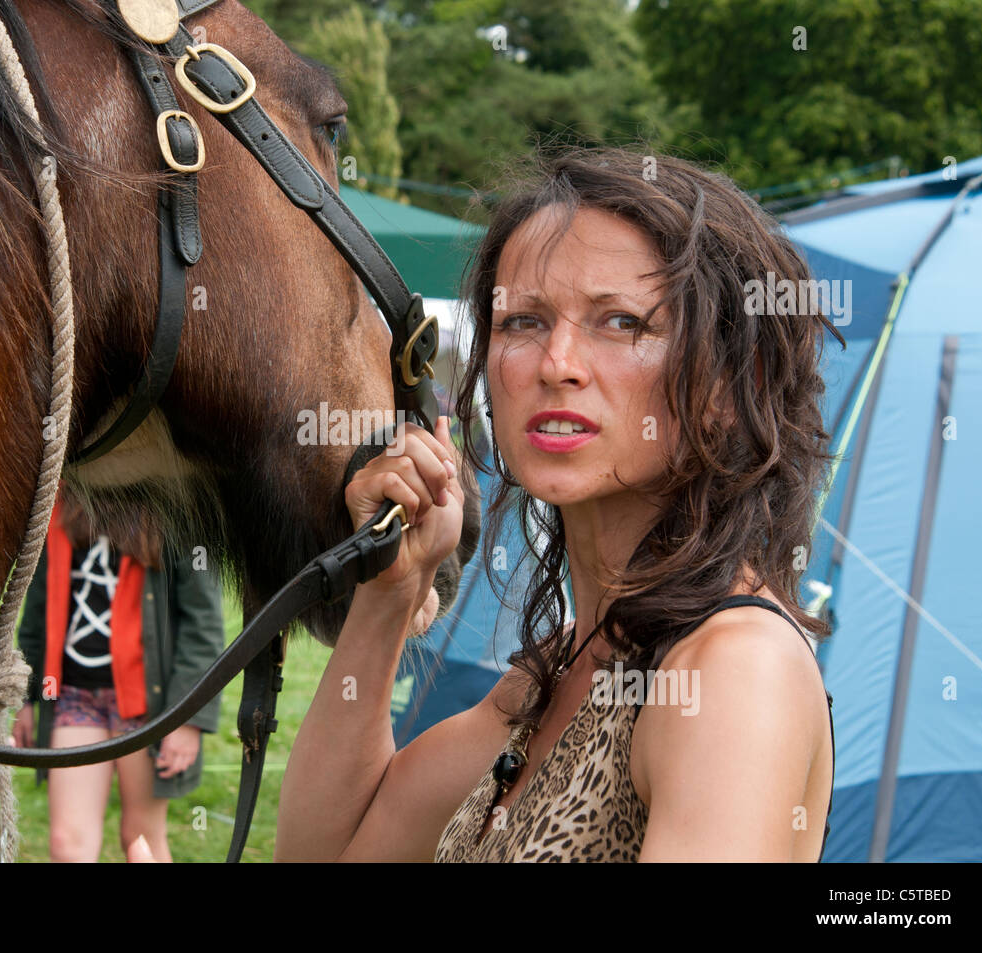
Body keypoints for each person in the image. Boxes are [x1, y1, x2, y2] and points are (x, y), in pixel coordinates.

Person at [276, 146, 839, 862]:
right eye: (524, 321)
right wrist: (392, 591)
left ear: (728, 386)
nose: (556, 363)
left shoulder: (732, 669)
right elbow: (328, 854)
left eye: (623, 322)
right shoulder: (556, 673)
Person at [14, 490, 224, 862]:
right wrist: (27, 697)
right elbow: (37, 610)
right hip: (74, 696)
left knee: (139, 840)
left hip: (146, 705)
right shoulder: (61, 501)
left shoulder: (176, 509)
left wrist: (187, 719)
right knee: (67, 844)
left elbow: (203, 626)